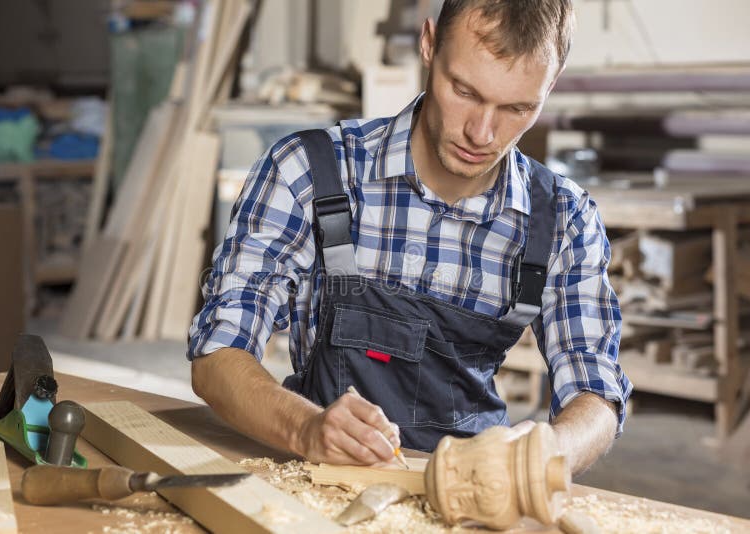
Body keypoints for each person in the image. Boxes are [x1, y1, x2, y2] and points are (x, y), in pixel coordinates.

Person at [188, 0, 632, 475]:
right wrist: (306, 429)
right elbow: (218, 355)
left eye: (517, 107)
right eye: (464, 90)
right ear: (428, 44)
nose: (481, 132)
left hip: (469, 487)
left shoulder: (563, 218)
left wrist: (552, 451)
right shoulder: (309, 172)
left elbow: (595, 391)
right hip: (322, 475)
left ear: (551, 84)